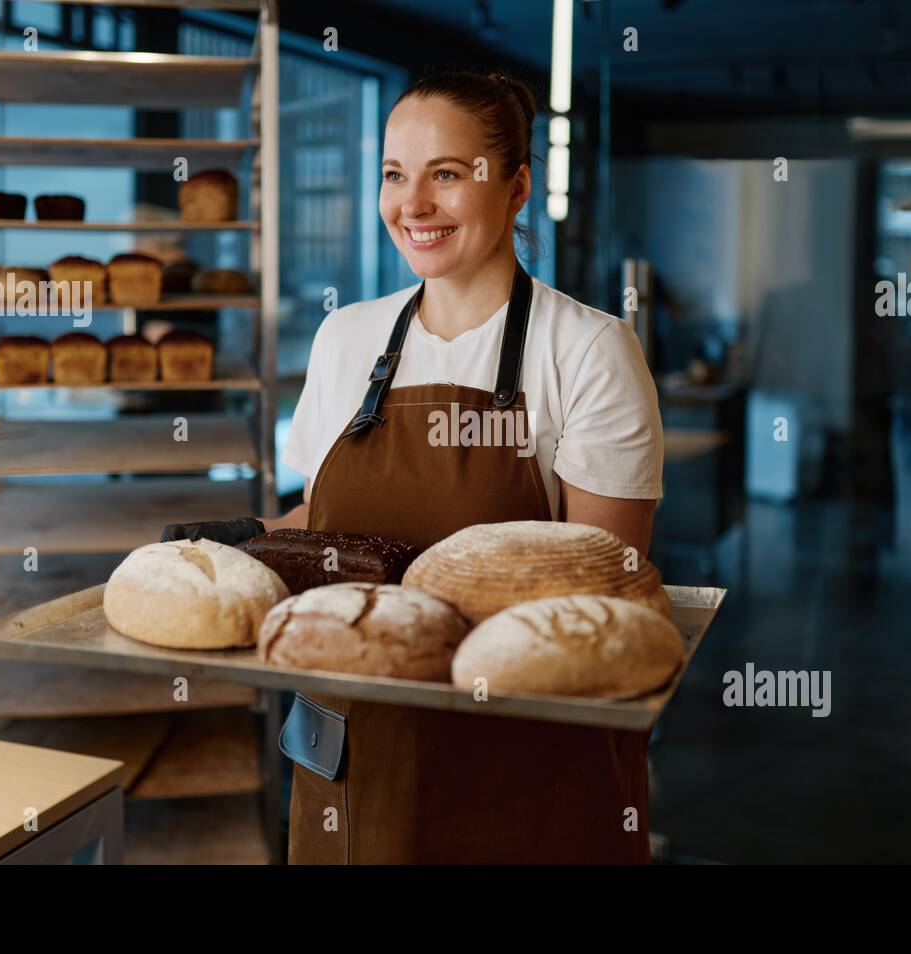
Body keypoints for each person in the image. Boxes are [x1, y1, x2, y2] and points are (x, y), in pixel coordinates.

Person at [163, 71, 664, 864]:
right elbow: (321, 530)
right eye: (395, 175)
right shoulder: (345, 340)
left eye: (448, 174)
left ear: (518, 186)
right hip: (351, 756)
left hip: (518, 762)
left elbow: (606, 585)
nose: (414, 205)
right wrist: (242, 542)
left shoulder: (589, 350)